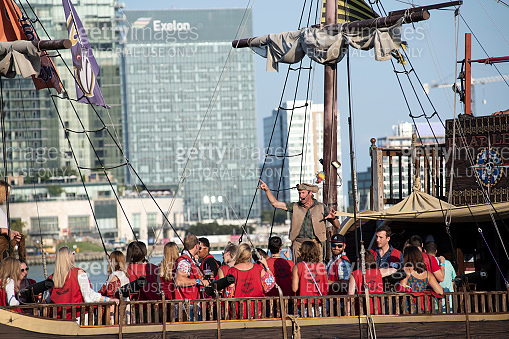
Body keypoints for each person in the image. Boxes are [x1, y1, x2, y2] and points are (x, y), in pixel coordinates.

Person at [258, 180, 340, 262]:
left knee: (316, 269)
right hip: (299, 244)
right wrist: (267, 190)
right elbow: (275, 204)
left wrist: (333, 218)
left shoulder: (321, 207)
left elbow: (337, 226)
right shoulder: (295, 206)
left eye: (303, 193)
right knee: (298, 269)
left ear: (310, 193)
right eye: (299, 193)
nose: (300, 196)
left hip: (315, 243)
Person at [48, 246, 119, 320]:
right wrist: (108, 300)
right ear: (69, 257)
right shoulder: (79, 274)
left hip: (57, 319)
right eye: (73, 253)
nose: (74, 255)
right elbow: (89, 296)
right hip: (78, 318)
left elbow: (47, 300)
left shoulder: (51, 278)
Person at [226, 243, 276, 318]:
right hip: (257, 310)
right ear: (249, 255)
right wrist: (266, 266)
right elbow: (270, 283)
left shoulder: (233, 270)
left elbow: (230, 293)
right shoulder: (258, 268)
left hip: (239, 311)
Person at [398, 246, 443, 313]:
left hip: (410, 309)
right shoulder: (428, 274)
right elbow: (440, 291)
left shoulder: (406, 271)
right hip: (424, 309)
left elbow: (401, 289)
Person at [292, 241, 327, 317]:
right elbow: (325, 286)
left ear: (302, 252)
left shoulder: (298, 266)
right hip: (319, 303)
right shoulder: (322, 266)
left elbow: (294, 288)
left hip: (303, 304)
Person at [347, 251, 384, 315]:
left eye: (358, 258)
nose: (357, 260)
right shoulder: (379, 272)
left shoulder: (355, 274)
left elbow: (350, 295)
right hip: (378, 309)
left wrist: (348, 312)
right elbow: (392, 270)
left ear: (362, 260)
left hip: (362, 309)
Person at [175, 234, 209, 300]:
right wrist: (198, 281)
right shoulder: (184, 261)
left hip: (191, 301)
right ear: (196, 246)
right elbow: (179, 281)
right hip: (186, 304)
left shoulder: (189, 260)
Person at [424, 242, 455, 312]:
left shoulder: (424, 264)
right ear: (436, 251)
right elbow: (453, 280)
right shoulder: (448, 263)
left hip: (433, 303)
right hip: (448, 302)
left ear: (425, 251)